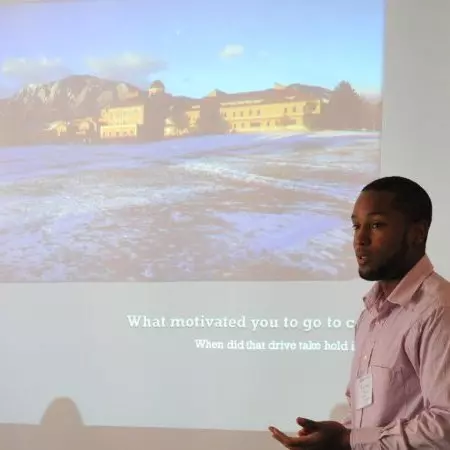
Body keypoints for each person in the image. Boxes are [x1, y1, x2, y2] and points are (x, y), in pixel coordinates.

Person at [269, 176, 450, 450]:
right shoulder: (371, 313)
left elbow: (445, 426)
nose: (360, 240)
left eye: (376, 225)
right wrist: (344, 430)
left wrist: (348, 440)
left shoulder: (438, 310)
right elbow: (372, 415)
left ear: (417, 233)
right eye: (356, 226)